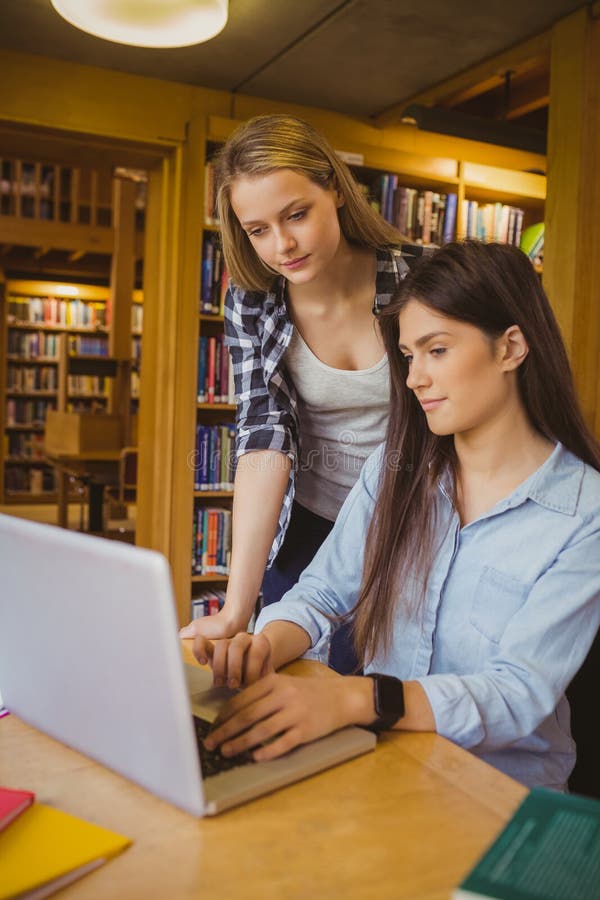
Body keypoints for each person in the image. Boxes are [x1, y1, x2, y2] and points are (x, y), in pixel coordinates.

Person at [189, 240, 600, 791]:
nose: (413, 379)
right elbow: (320, 594)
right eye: (408, 356)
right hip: (385, 769)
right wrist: (263, 648)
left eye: (436, 350)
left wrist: (356, 696)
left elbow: (516, 694)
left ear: (511, 348)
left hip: (498, 797)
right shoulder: (394, 469)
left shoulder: (584, 512)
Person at [180, 114, 409, 673]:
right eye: (257, 229)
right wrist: (236, 607)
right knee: (288, 679)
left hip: (409, 524)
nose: (282, 245)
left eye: (297, 215)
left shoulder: (420, 282)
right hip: (309, 525)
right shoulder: (251, 304)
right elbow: (262, 441)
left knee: (382, 685)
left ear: (334, 186)